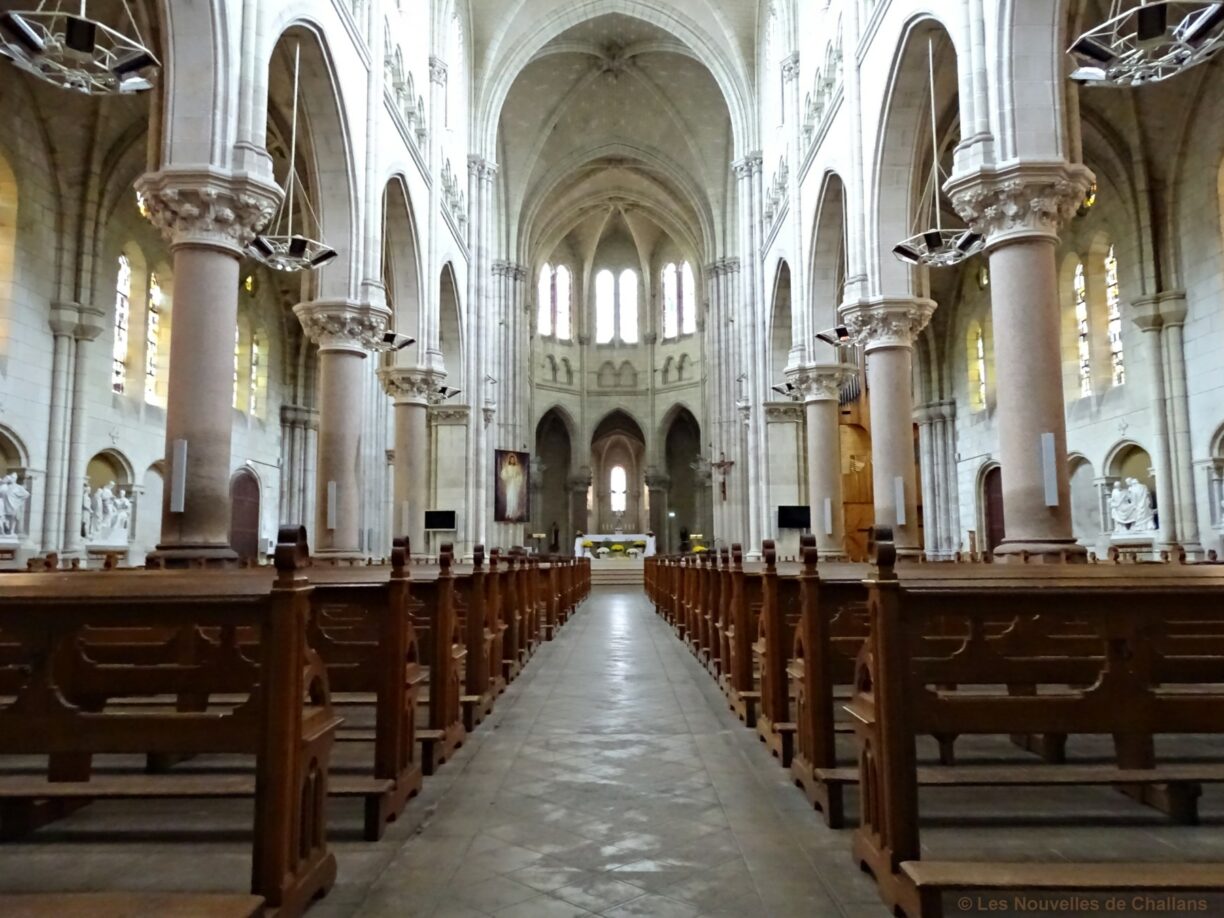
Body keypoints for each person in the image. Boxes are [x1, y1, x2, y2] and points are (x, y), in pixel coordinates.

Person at [500, 452, 526, 522]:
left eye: (513, 459)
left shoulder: (517, 468)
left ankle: (514, 513)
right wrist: (508, 477)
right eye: (511, 459)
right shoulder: (507, 467)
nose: (512, 460)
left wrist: (515, 479)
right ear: (509, 460)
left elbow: (520, 477)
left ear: (515, 460)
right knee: (509, 498)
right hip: (509, 485)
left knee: (514, 499)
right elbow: (503, 475)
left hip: (514, 485)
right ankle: (509, 513)